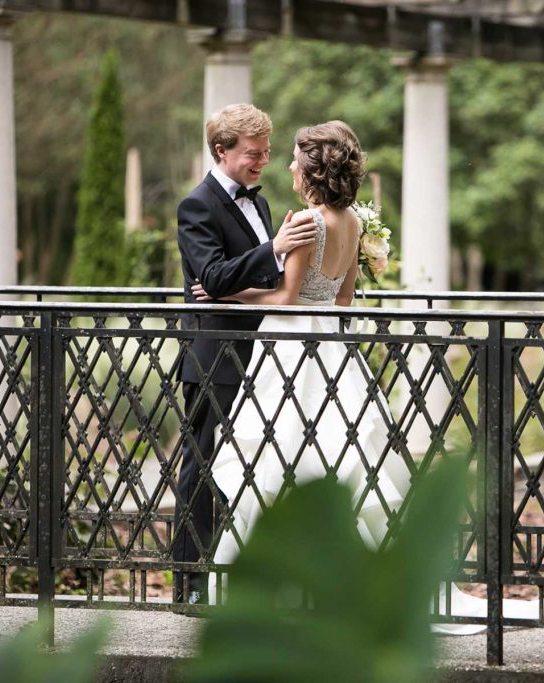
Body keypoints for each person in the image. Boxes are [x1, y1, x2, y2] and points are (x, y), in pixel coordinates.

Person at [193, 120, 544, 631]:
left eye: (292, 159)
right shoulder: (351, 221)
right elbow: (344, 299)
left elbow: (286, 297)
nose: (286, 165)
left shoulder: (308, 222)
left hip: (290, 345)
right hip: (331, 346)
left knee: (282, 456)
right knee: (341, 455)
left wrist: (225, 293)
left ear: (310, 170)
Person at [173, 103, 318, 606]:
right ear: (222, 151)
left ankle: (242, 577)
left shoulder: (259, 204)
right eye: (253, 155)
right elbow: (210, 276)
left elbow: (257, 279)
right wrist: (273, 249)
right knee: (202, 466)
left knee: (255, 465)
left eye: (267, 153)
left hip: (263, 354)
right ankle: (190, 582)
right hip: (215, 356)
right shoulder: (197, 206)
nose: (263, 162)